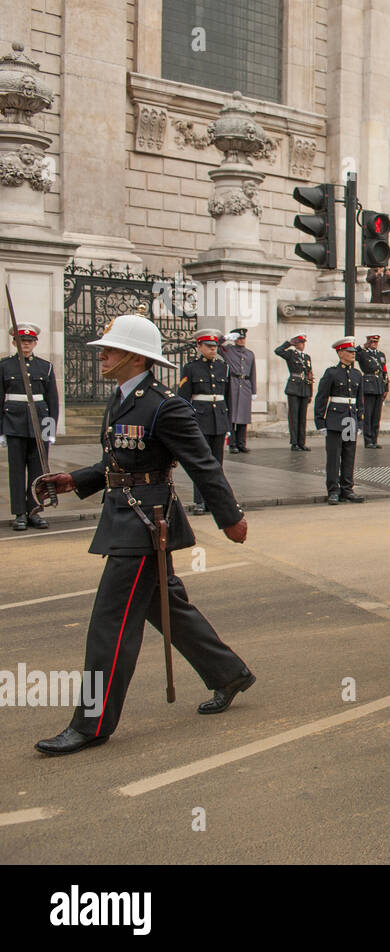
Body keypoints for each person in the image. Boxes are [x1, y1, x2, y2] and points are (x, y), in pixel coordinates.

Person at [32, 310, 252, 755]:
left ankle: (90, 725)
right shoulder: (120, 398)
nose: (102, 355)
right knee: (168, 607)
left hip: (145, 526)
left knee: (109, 627)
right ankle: (228, 673)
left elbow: (202, 464)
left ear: (135, 357)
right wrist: (76, 480)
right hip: (127, 517)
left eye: (110, 349)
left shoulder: (165, 404)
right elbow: (118, 463)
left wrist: (229, 517)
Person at [2, 321, 58, 531]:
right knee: (16, 471)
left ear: (35, 343)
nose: (25, 344)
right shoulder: (5, 366)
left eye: (29, 341)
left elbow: (52, 400)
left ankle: (35, 511)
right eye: (21, 341)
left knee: (38, 471)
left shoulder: (45, 367)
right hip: (14, 423)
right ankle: (19, 514)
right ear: (15, 342)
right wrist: (1, 431)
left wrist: (50, 429)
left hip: (41, 423)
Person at [177, 328, 232, 514]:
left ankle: (215, 501)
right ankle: (199, 501)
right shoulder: (191, 368)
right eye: (208, 346)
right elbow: (184, 398)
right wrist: (187, 423)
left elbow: (228, 396)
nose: (213, 350)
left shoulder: (222, 367)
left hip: (220, 419)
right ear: (199, 346)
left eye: (215, 346)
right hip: (200, 419)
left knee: (217, 464)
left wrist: (229, 422)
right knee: (201, 462)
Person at [314, 337, 367, 505]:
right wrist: (320, 422)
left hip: (351, 418)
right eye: (349, 352)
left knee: (349, 456)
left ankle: (347, 489)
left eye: (353, 352)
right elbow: (321, 398)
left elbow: (360, 401)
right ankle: (333, 490)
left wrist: (360, 422)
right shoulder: (331, 373)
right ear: (340, 353)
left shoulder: (357, 374)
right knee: (334, 457)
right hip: (335, 419)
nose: (353, 354)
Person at [274, 334, 313, 451]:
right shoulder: (291, 354)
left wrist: (310, 392)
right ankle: (294, 442)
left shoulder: (307, 357)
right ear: (296, 344)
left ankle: (302, 442)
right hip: (294, 388)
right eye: (300, 343)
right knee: (294, 416)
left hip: (305, 388)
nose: (303, 345)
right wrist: (288, 343)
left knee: (303, 417)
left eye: (304, 343)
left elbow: (310, 375)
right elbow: (278, 351)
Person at [220, 328, 255, 453]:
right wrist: (225, 338)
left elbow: (252, 373)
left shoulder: (250, 353)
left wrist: (254, 390)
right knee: (232, 416)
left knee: (244, 417)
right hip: (233, 384)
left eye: (243, 338)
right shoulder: (228, 350)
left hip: (245, 385)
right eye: (239, 338)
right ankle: (232, 444)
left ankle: (241, 443)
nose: (241, 341)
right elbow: (216, 345)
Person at [355, 334, 389, 449]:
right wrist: (362, 346)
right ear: (368, 342)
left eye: (376, 342)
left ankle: (374, 439)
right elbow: (353, 353)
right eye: (372, 342)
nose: (374, 344)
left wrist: (386, 388)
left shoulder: (381, 355)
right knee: (368, 415)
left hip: (379, 386)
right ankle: (368, 440)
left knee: (376, 415)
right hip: (369, 386)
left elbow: (384, 371)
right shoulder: (363, 353)